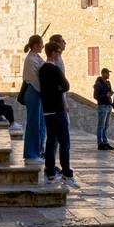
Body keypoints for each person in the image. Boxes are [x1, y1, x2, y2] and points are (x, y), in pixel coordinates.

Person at [39, 40, 77, 187]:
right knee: (64, 143)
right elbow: (66, 86)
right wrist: (58, 89)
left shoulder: (42, 69)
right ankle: (67, 173)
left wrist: (54, 89)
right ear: (53, 53)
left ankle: (50, 172)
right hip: (57, 109)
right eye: (58, 52)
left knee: (50, 141)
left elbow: (45, 89)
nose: (59, 54)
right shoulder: (55, 69)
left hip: (47, 110)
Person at [21, 34, 46, 161]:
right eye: (41, 44)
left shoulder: (36, 57)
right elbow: (35, 80)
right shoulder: (30, 59)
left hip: (38, 93)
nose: (43, 46)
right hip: (34, 91)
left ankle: (38, 151)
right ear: (36, 45)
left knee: (40, 123)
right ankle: (31, 153)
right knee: (33, 124)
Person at [93, 68, 114, 149]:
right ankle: (100, 143)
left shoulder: (108, 83)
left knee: (106, 125)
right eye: (107, 73)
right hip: (102, 106)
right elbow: (95, 96)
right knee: (101, 125)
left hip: (108, 105)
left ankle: (105, 142)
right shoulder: (98, 84)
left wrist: (111, 93)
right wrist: (106, 96)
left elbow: (110, 91)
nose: (109, 75)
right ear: (103, 73)